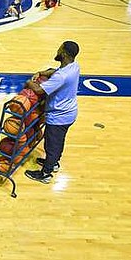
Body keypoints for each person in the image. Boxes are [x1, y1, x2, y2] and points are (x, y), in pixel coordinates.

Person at [24, 40, 80, 183]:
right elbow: (55, 70)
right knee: (58, 142)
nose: (58, 51)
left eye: (60, 49)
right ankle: (53, 163)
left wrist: (29, 82)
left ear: (65, 54)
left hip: (59, 116)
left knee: (52, 144)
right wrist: (41, 72)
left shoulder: (61, 77)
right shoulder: (74, 66)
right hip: (69, 112)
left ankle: (46, 174)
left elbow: (38, 90)